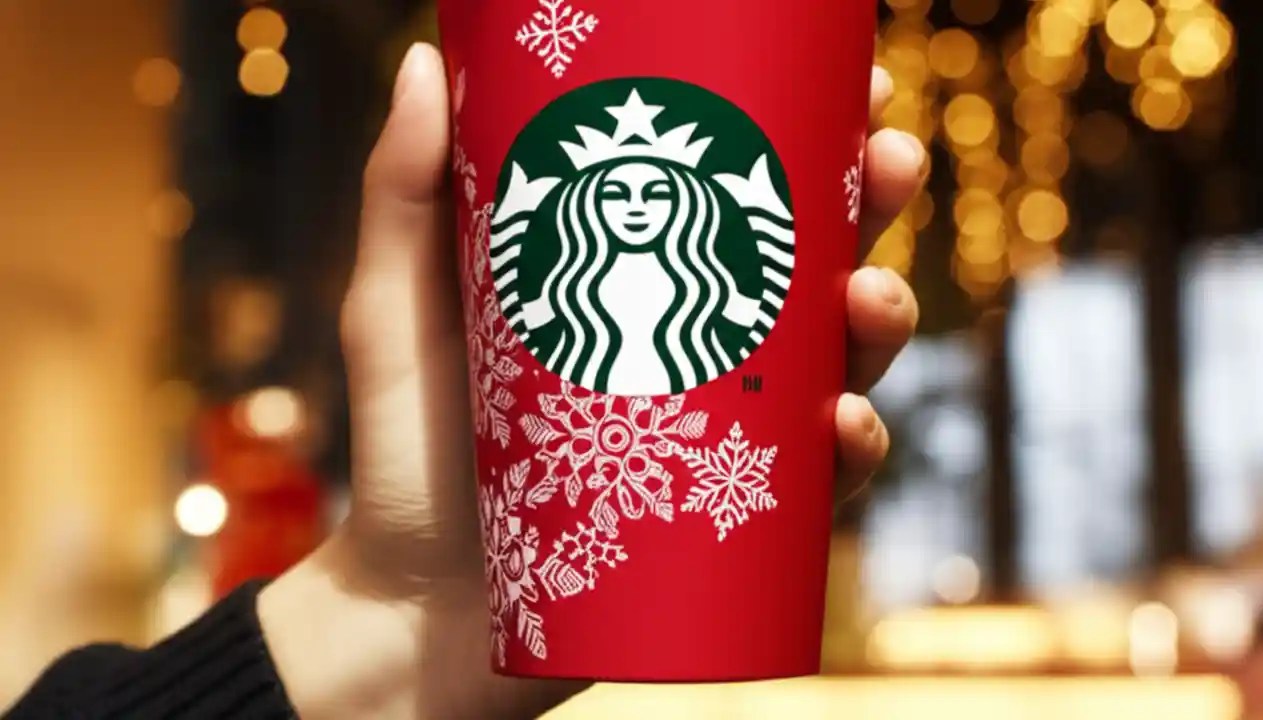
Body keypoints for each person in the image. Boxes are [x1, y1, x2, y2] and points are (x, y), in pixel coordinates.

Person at [6, 43, 924, 719]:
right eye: (614, 191)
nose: (638, 206)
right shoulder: (571, 284)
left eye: (658, 192)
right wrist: (399, 603)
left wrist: (397, 614)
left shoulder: (707, 286)